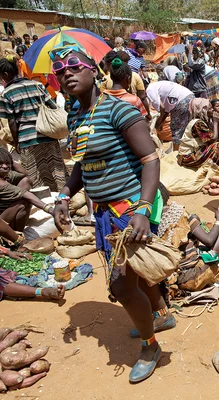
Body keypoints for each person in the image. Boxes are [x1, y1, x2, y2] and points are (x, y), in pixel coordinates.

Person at [50, 44, 173, 383]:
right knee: (135, 272)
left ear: (94, 70)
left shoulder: (119, 110)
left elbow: (150, 159)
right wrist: (64, 194)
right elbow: (82, 165)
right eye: (60, 70)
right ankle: (161, 314)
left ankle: (150, 346)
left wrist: (143, 210)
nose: (67, 72)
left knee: (120, 286)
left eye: (74, 65)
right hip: (104, 211)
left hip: (131, 207)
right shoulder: (75, 115)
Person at [0, 57, 69, 191]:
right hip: (47, 134)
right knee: (56, 170)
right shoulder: (37, 85)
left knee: (34, 174)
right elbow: (52, 106)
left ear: (6, 74)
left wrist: (17, 142)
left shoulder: (7, 93)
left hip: (27, 139)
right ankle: (62, 198)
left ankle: (43, 204)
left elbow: (12, 121)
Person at [0, 148, 54, 231]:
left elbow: (24, 175)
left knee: (26, 181)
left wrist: (10, 160)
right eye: (0, 164)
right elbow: (26, 194)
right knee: (25, 203)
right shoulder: (1, 183)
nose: (5, 166)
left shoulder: (6, 175)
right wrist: (50, 210)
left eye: (7, 163)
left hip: (4, 216)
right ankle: (16, 235)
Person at [177, 98, 219, 169]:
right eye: (210, 108)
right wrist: (215, 122)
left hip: (197, 152)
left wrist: (217, 123)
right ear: (201, 110)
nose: (212, 110)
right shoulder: (197, 123)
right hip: (188, 157)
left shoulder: (206, 121)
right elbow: (213, 140)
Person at [100, 51, 152, 117]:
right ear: (128, 79)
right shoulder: (135, 76)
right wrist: (148, 114)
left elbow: (101, 95)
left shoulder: (106, 78)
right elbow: (142, 97)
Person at [146, 80, 194, 149]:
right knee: (186, 128)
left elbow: (162, 108)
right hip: (190, 96)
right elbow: (166, 111)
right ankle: (186, 151)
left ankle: (176, 154)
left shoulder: (149, 90)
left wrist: (158, 123)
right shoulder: (158, 85)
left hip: (182, 102)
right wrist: (160, 123)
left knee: (176, 130)